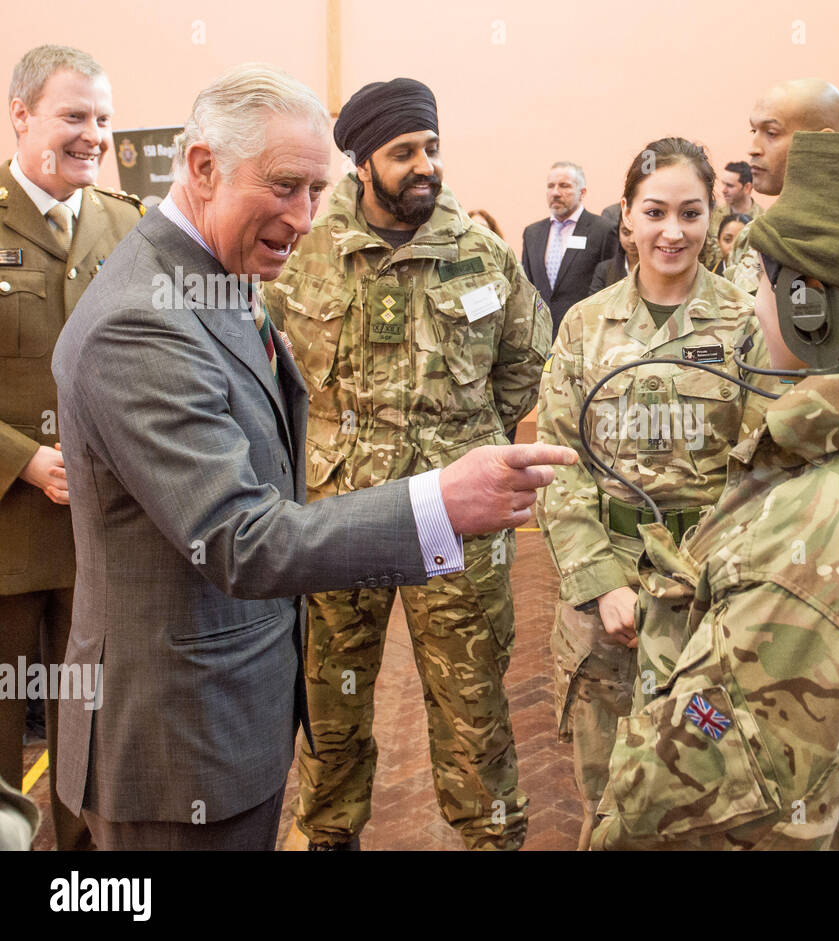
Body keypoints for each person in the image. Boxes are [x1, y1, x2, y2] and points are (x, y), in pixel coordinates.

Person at [49, 64, 575, 852]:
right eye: (285, 187)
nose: (301, 218)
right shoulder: (143, 321)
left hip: (225, 716)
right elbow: (240, 536)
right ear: (201, 168)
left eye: (315, 193)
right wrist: (438, 499)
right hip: (177, 748)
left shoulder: (218, 276)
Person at [592, 131, 839, 851]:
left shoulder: (823, 529)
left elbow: (692, 811)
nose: (752, 306)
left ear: (814, 308)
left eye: (761, 280)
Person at [262, 78, 550, 851]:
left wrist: (465, 437)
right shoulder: (307, 254)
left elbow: (525, 365)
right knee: (330, 704)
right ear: (362, 163)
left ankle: (491, 838)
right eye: (403, 153)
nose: (425, 165)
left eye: (431, 148)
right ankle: (326, 836)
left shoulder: (483, 254)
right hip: (337, 520)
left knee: (473, 708)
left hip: (455, 524)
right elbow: (270, 373)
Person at [536, 136, 776, 850]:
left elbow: (766, 467)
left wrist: (718, 584)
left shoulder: (744, 326)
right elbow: (558, 460)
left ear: (711, 216)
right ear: (627, 218)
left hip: (710, 602)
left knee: (708, 776)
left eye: (692, 212)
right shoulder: (584, 325)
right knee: (607, 793)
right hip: (603, 606)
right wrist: (600, 580)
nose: (674, 231)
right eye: (656, 211)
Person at [0, 44, 144, 852]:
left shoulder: (126, 225)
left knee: (87, 733)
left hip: (100, 540)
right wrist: (24, 457)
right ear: (20, 114)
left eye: (102, 119)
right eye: (75, 116)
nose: (94, 134)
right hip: (8, 534)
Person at [723, 78, 839, 293]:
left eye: (771, 133)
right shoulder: (754, 234)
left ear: (823, 143)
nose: (753, 149)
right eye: (754, 131)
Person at [522, 161, 618, 336]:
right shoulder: (532, 233)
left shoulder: (603, 230)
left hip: (585, 334)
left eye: (564, 186)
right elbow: (528, 289)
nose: (556, 192)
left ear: (582, 192)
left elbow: (611, 287)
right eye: (551, 186)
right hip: (540, 338)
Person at [700, 161, 763, 269]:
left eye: (730, 186)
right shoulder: (712, 216)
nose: (723, 190)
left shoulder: (763, 221)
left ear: (747, 187)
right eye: (723, 183)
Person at [589, 217, 637, 293]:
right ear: (619, 234)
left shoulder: (659, 268)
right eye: (626, 233)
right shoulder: (604, 269)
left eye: (638, 233)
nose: (632, 240)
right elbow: (594, 303)